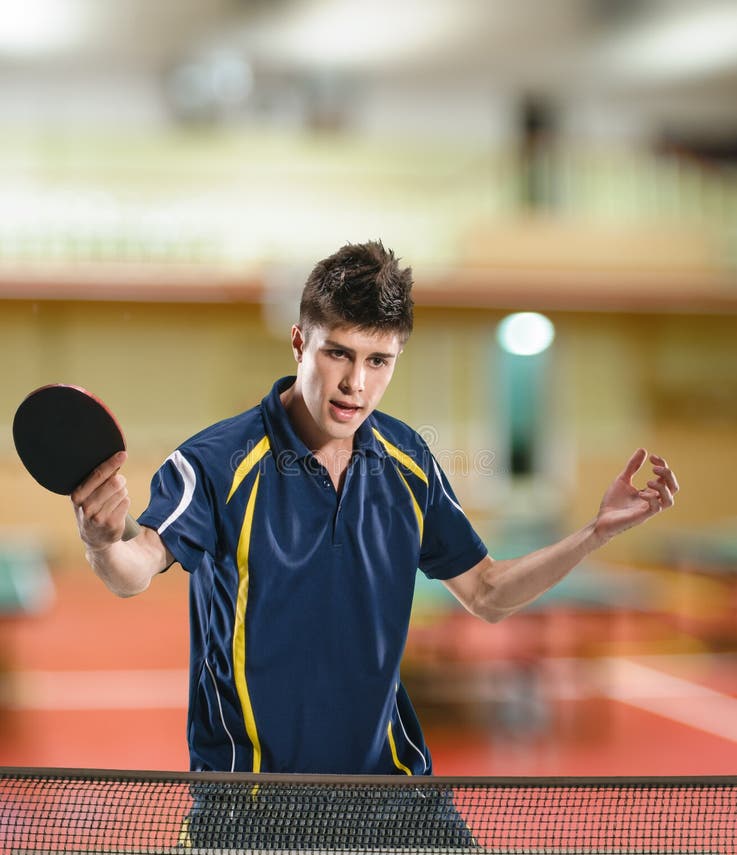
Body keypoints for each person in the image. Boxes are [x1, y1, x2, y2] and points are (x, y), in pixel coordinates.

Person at [72, 239, 678, 779]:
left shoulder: (409, 461)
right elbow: (135, 570)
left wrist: (595, 533)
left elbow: (487, 593)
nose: (355, 384)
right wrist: (102, 543)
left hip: (390, 784)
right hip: (250, 792)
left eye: (377, 361)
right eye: (338, 354)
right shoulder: (214, 462)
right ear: (298, 342)